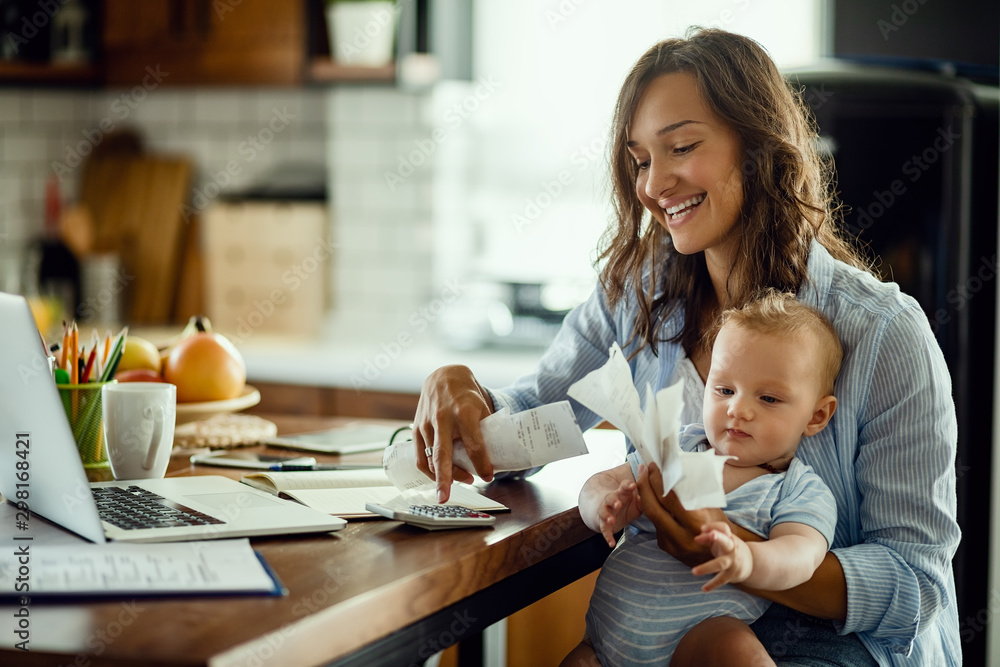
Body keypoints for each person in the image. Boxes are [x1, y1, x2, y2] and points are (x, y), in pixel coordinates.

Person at [412, 28, 961, 665]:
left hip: (836, 647)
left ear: (757, 149)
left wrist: (741, 555)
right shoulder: (638, 296)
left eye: (682, 147)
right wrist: (465, 398)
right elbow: (537, 420)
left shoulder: (883, 332)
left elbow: (914, 583)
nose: (653, 185)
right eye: (641, 159)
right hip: (659, 634)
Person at [570, 291, 841, 666]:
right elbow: (600, 482)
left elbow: (802, 556)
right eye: (725, 390)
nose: (737, 409)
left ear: (816, 416)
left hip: (697, 639)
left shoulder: (797, 490)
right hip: (603, 642)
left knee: (736, 651)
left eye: (769, 399)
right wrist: (604, 506)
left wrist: (747, 559)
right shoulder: (681, 446)